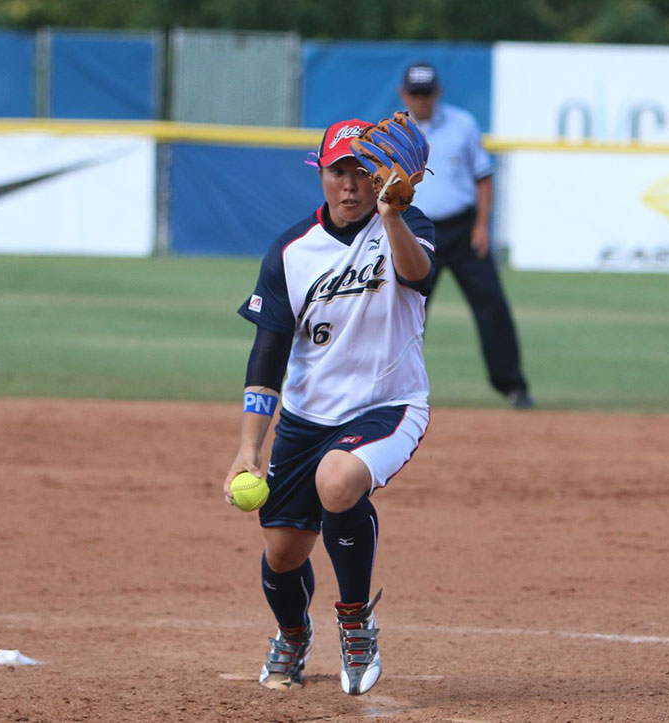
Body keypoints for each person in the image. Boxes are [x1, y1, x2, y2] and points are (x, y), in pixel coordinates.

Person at [223, 117, 436, 696]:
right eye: (338, 171)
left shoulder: (407, 227)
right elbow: (266, 355)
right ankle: (293, 635)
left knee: (338, 480)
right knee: (283, 556)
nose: (350, 186)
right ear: (320, 174)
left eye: (362, 173)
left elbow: (419, 276)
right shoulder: (292, 250)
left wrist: (392, 216)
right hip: (304, 419)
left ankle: (355, 621)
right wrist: (249, 449)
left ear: (383, 179)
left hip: (387, 407)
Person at [398, 61, 535, 409]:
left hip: (462, 229)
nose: (421, 100)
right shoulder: (393, 132)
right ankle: (393, 389)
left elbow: (483, 177)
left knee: (492, 307)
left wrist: (481, 225)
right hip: (414, 233)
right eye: (415, 94)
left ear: (438, 93)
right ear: (404, 95)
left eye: (427, 93)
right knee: (404, 313)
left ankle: (512, 385)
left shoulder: (462, 125)